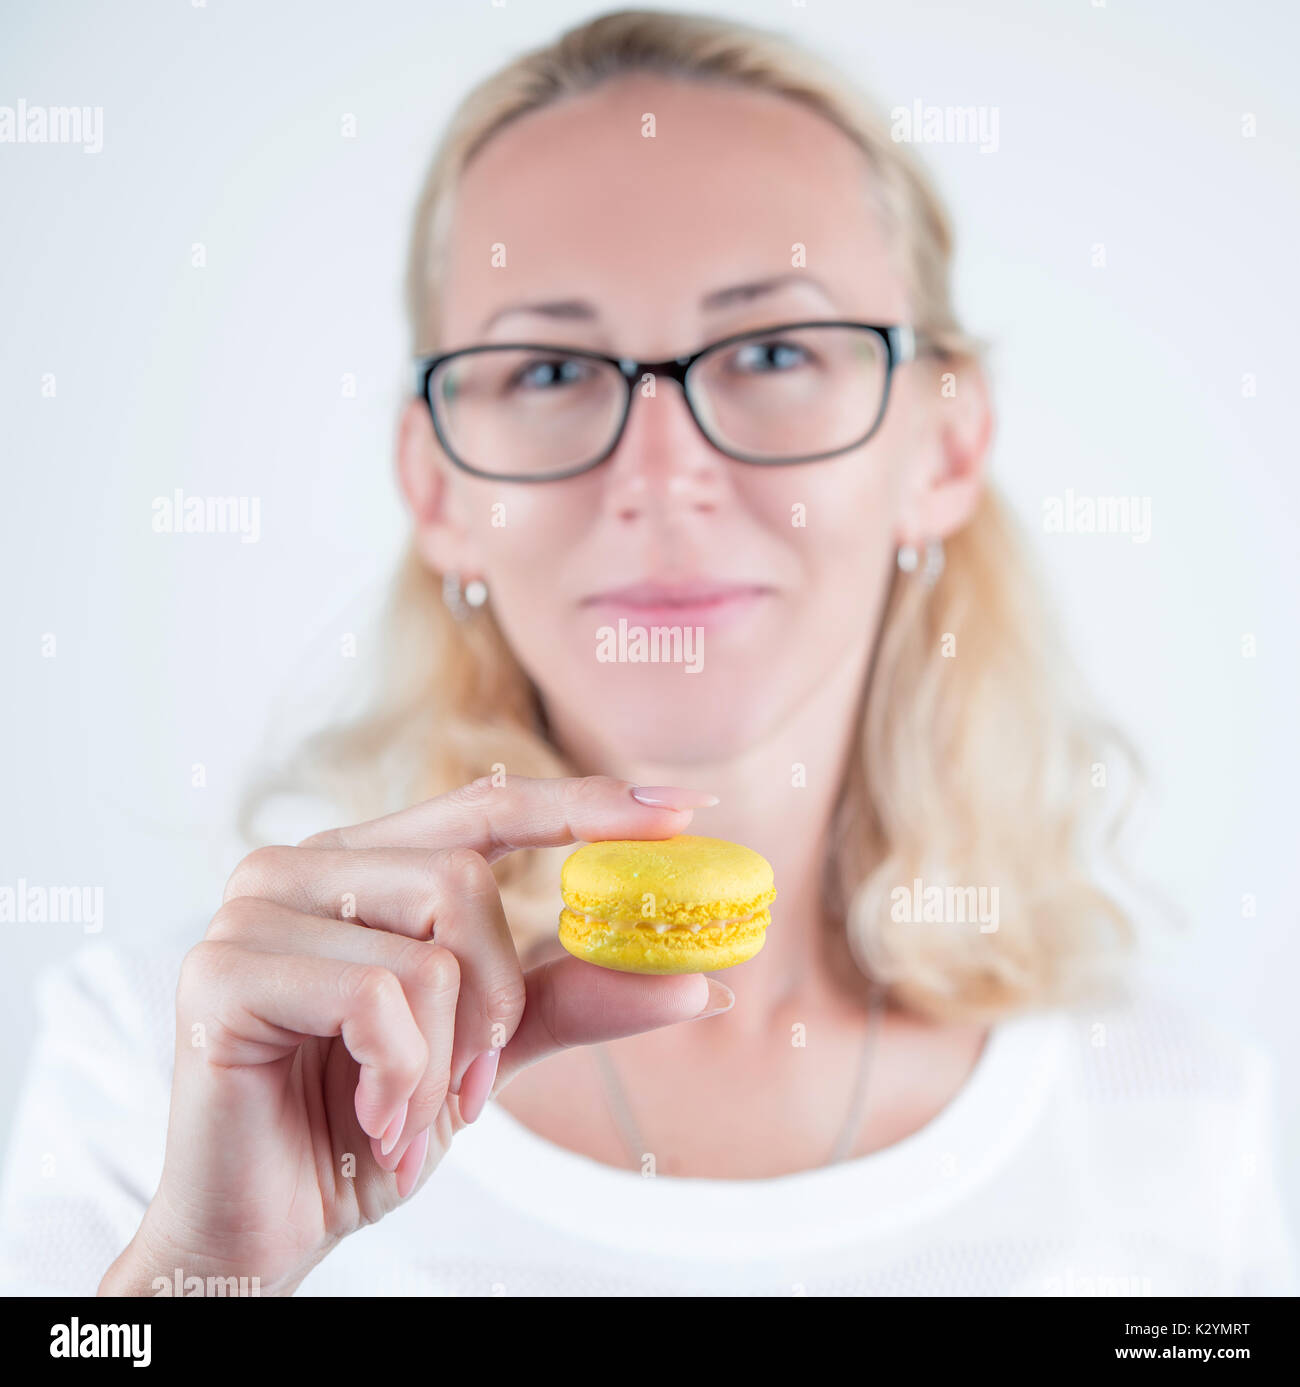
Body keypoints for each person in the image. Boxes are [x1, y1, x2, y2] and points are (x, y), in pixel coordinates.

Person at [3, 8, 1294, 1298]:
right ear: (437, 480)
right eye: (552, 368)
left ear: (946, 447)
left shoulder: (1184, 1131)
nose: (662, 475)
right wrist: (200, 1277)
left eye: (776, 350)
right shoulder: (175, 1077)